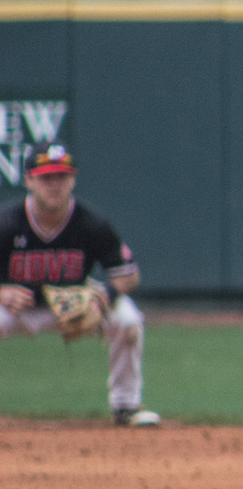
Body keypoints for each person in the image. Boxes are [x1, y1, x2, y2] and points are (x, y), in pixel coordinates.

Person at [0, 142, 155, 426]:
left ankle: (126, 405)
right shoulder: (6, 223)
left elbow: (129, 276)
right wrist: (2, 292)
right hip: (16, 309)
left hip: (74, 304)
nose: (55, 184)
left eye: (62, 176)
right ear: (29, 181)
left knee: (128, 319)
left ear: (73, 179)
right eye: (46, 177)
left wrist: (104, 294)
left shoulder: (91, 223)